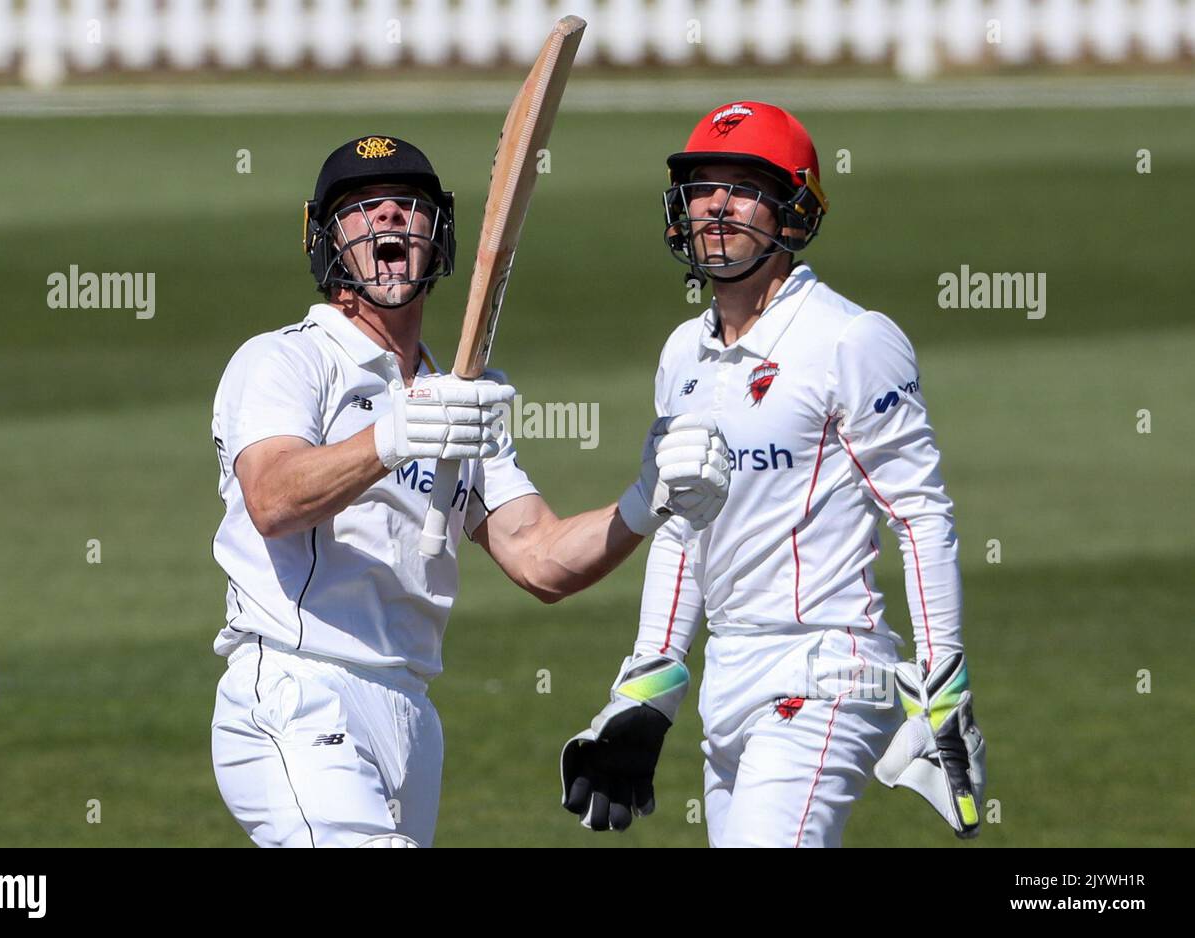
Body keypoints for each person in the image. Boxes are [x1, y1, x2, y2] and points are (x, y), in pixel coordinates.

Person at [208, 134, 731, 847]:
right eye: (363, 209)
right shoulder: (287, 359)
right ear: (327, 242)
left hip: (411, 713)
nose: (388, 220)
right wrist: (394, 436)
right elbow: (272, 497)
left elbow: (539, 557)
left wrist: (647, 500)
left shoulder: (458, 399)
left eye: (408, 208)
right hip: (297, 688)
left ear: (439, 238)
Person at [560, 103, 985, 847]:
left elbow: (919, 514)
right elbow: (680, 523)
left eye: (743, 186)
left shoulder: (851, 339)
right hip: (727, 678)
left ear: (794, 210)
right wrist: (649, 682)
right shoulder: (680, 356)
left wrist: (943, 681)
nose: (717, 205)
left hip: (826, 668)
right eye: (702, 187)